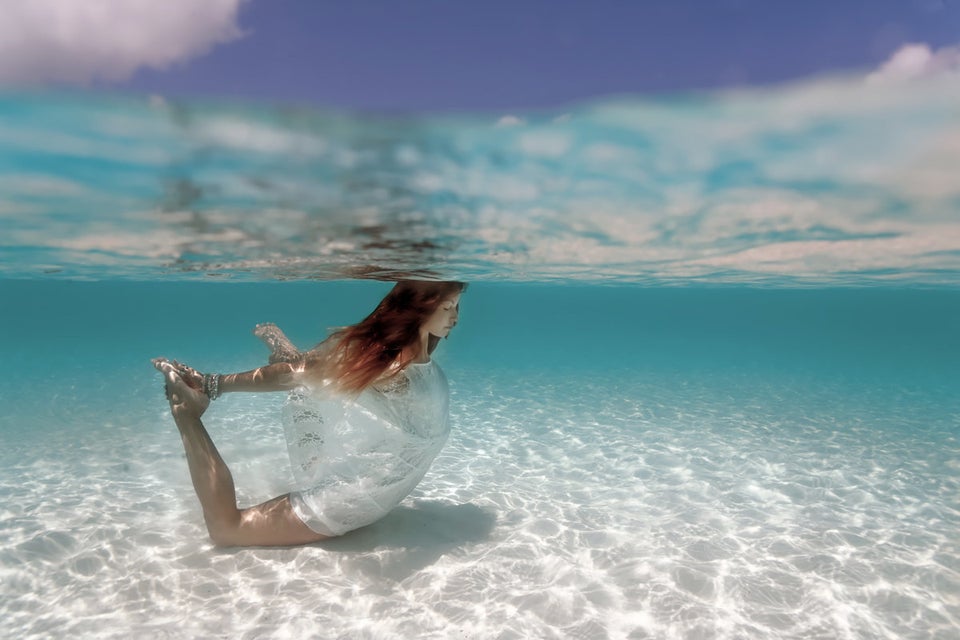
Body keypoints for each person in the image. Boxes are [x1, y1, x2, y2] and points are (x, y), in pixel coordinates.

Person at [152, 280, 464, 547]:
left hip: (365, 496)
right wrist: (212, 384)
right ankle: (187, 413)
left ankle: (291, 358)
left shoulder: (416, 364)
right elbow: (291, 377)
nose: (455, 318)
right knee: (226, 529)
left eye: (457, 307)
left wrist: (299, 369)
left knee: (311, 375)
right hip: (361, 498)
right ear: (419, 307)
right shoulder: (392, 367)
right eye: (448, 307)